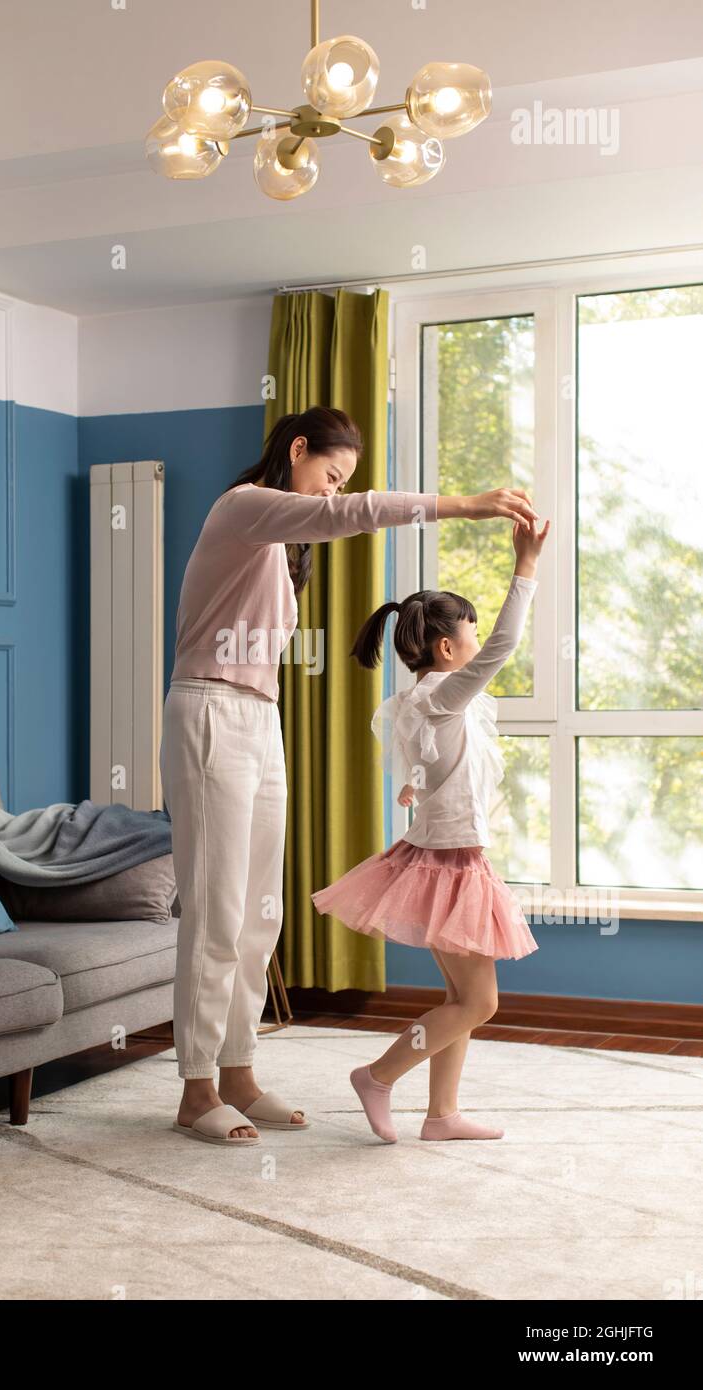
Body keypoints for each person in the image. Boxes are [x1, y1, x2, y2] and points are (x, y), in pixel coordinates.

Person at [160, 404, 540, 1145]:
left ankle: (238, 1072)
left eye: (341, 484)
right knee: (215, 908)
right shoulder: (243, 509)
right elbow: (355, 517)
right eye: (330, 475)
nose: (334, 494)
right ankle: (195, 1089)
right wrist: (463, 506)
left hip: (259, 715)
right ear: (297, 449)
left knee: (260, 908)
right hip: (209, 709)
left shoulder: (277, 547)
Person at [311, 513, 550, 1144]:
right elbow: (504, 647)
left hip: (452, 855)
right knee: (479, 1002)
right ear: (448, 650)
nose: (479, 645)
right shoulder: (442, 696)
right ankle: (379, 1075)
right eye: (470, 635)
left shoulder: (430, 701)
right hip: (449, 861)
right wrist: (525, 569)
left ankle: (441, 1114)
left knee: (458, 998)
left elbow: (440, 763)